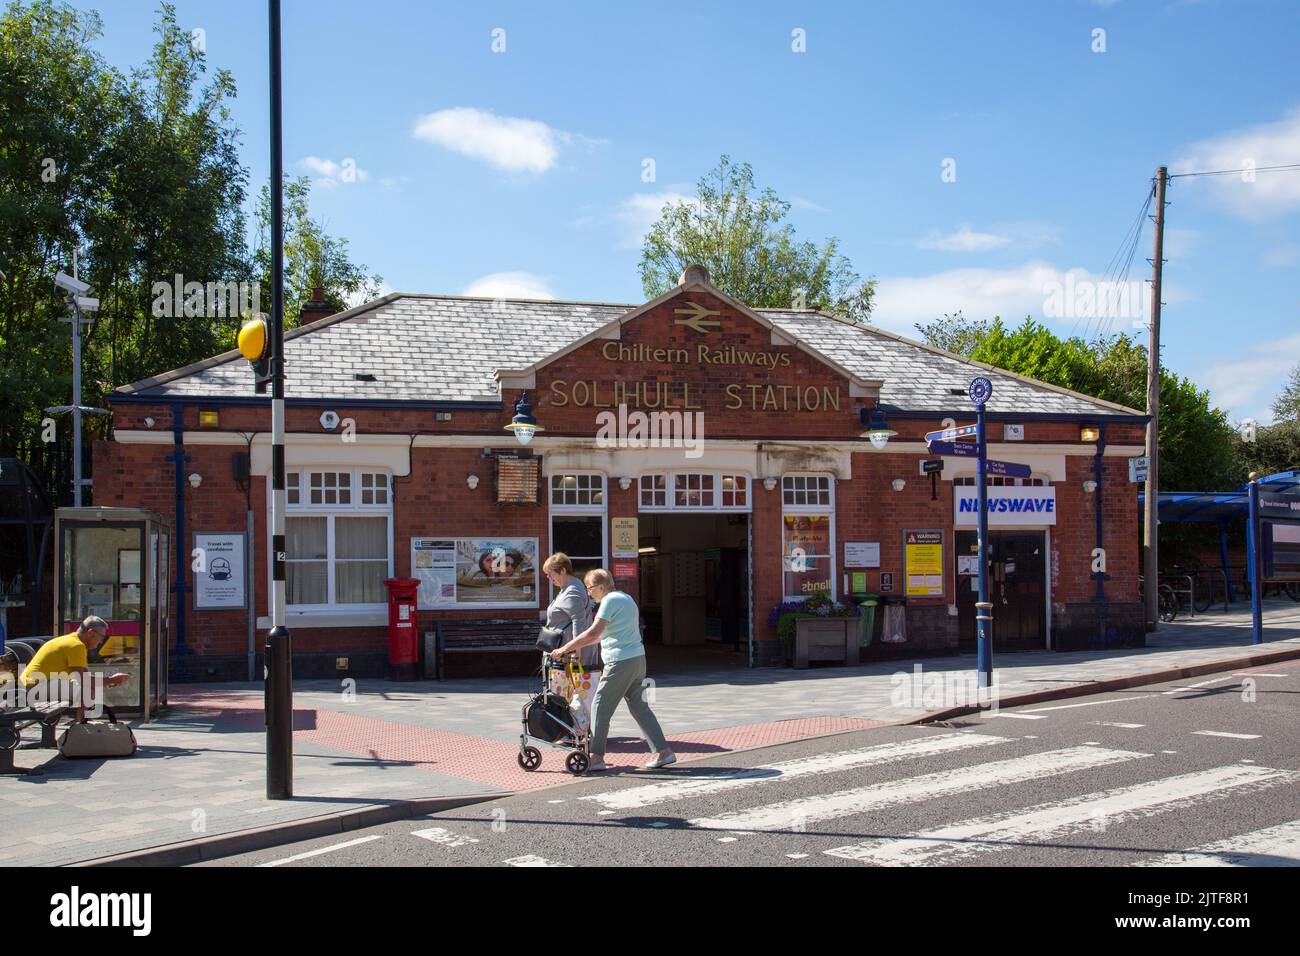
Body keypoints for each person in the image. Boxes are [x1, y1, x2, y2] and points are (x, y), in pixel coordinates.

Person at [553, 569, 675, 772]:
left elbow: (594, 632)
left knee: (600, 706)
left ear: (601, 586)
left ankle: (596, 758)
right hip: (637, 659)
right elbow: (604, 635)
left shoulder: (609, 601)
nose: (588, 593)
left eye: (590, 588)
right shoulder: (627, 598)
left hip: (620, 662)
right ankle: (664, 752)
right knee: (639, 707)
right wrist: (578, 645)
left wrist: (566, 648)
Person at [20, 616, 130, 719]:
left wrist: (108, 681)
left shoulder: (71, 640)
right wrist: (112, 680)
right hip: (36, 686)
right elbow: (84, 681)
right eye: (101, 637)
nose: (101, 641)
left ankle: (81, 723)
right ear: (90, 633)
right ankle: (81, 726)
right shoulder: (76, 646)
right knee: (87, 690)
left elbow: (84, 677)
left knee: (87, 688)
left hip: (32, 684)